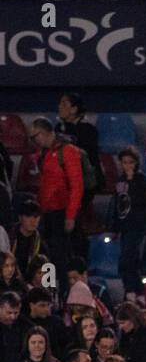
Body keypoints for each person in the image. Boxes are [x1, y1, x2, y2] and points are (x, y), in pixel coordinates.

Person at [30, 117, 83, 273]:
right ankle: (54, 291)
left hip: (62, 213)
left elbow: (76, 186)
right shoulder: (45, 153)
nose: (33, 141)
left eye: (35, 136)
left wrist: (71, 216)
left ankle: (64, 292)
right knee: (50, 258)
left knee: (62, 259)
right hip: (49, 213)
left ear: (45, 132)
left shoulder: (67, 151)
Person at [111, 147, 146, 307]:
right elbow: (117, 204)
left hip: (136, 224)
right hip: (124, 225)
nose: (127, 166)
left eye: (130, 162)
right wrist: (115, 228)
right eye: (124, 162)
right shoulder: (120, 181)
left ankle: (131, 291)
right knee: (129, 259)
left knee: (127, 259)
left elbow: (142, 201)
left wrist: (132, 183)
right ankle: (138, 292)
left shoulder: (141, 180)